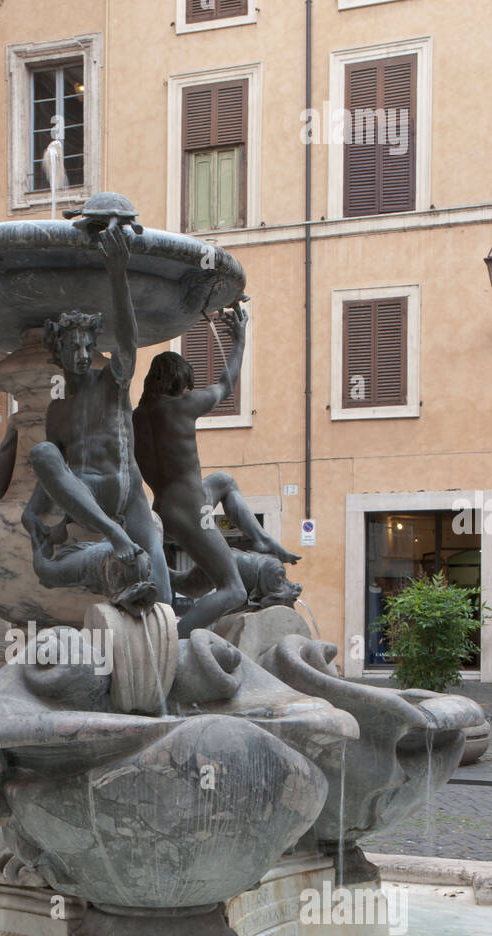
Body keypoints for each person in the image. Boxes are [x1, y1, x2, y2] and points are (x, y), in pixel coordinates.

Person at [20, 223, 171, 614]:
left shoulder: (112, 383)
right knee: (43, 453)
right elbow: (54, 473)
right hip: (90, 493)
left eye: (89, 344)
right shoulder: (58, 409)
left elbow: (127, 341)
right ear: (57, 351)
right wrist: (31, 513)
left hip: (128, 490)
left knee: (163, 593)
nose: (84, 353)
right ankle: (114, 537)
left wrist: (118, 273)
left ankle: (173, 647)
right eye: (74, 346)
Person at [132, 308, 299, 636]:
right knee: (234, 589)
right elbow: (225, 384)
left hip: (163, 507)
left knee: (224, 481)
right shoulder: (183, 404)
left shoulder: (136, 417)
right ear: (181, 381)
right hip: (194, 508)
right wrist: (239, 340)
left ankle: (261, 538)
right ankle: (173, 641)